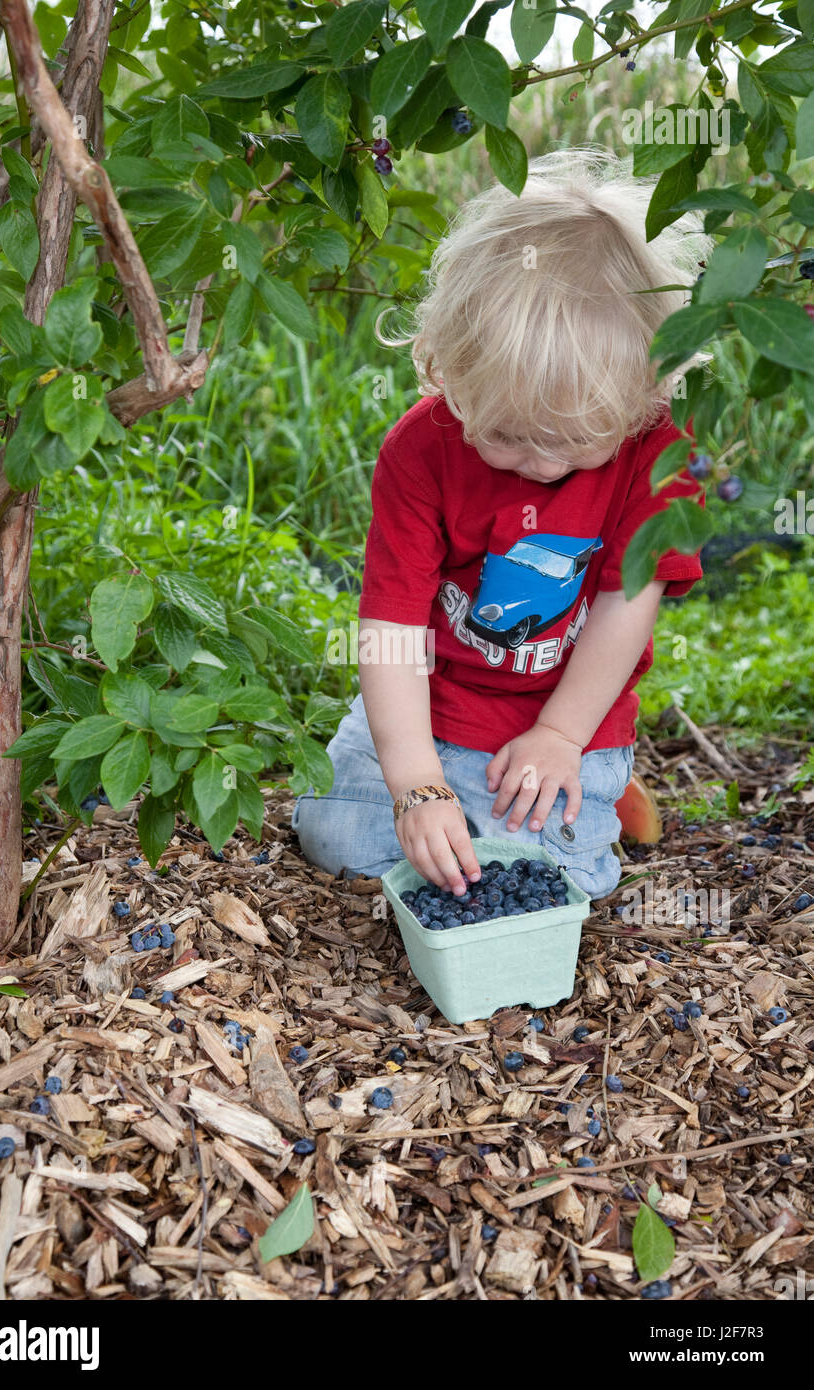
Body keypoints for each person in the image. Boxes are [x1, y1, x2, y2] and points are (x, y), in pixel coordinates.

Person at [292, 149, 710, 901]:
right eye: (510, 434)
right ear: (449, 371)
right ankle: (491, 797)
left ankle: (604, 781)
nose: (539, 464)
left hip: (567, 714)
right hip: (437, 704)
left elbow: (625, 606)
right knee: (337, 833)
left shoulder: (655, 455)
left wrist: (559, 738)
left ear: (641, 395)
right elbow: (393, 626)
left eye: (572, 441)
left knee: (547, 879)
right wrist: (417, 782)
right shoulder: (421, 449)